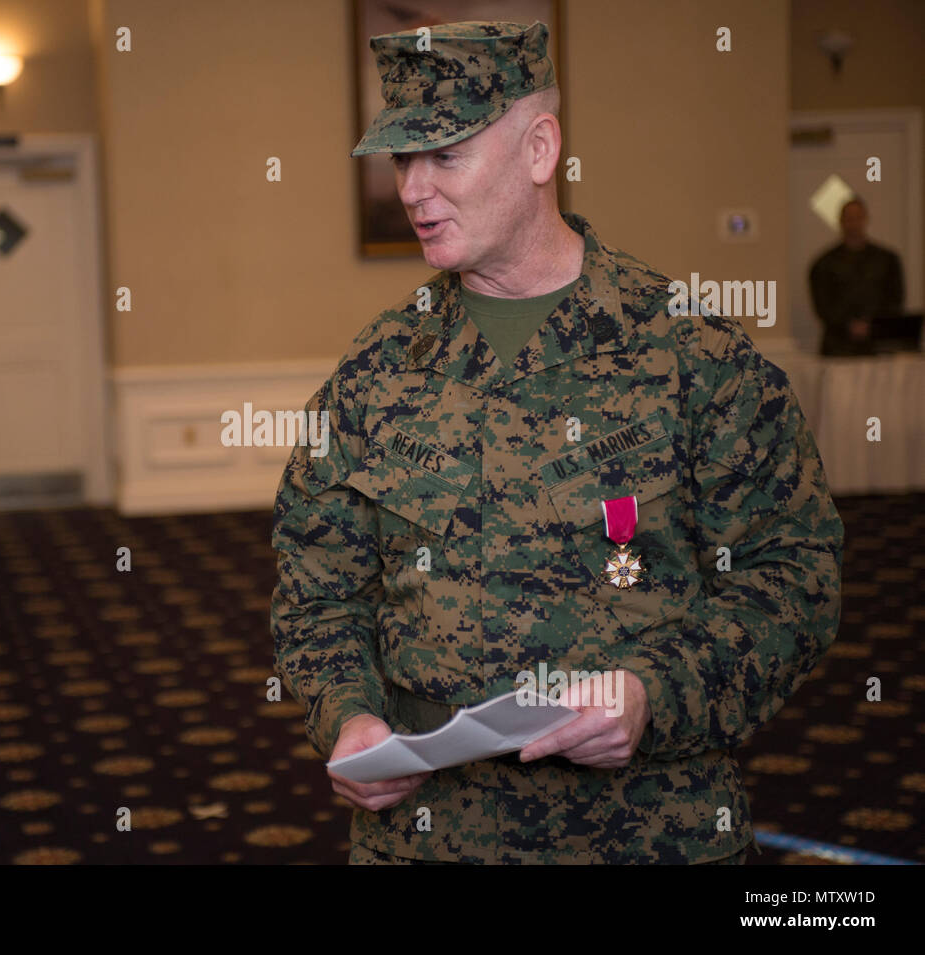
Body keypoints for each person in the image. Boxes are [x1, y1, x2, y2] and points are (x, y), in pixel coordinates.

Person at [270, 21, 844, 864]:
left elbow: (795, 577)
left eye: (446, 155)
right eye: (402, 160)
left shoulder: (692, 357)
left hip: (648, 833)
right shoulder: (376, 373)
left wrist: (655, 696)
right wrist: (349, 715)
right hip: (433, 839)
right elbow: (317, 591)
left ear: (540, 150)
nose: (413, 189)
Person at [808, 197, 904, 356]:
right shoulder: (824, 264)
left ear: (865, 219)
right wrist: (848, 326)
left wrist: (871, 325)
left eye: (858, 218)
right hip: (838, 347)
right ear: (841, 221)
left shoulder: (887, 260)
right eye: (849, 218)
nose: (853, 223)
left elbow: (895, 300)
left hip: (879, 346)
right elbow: (823, 306)